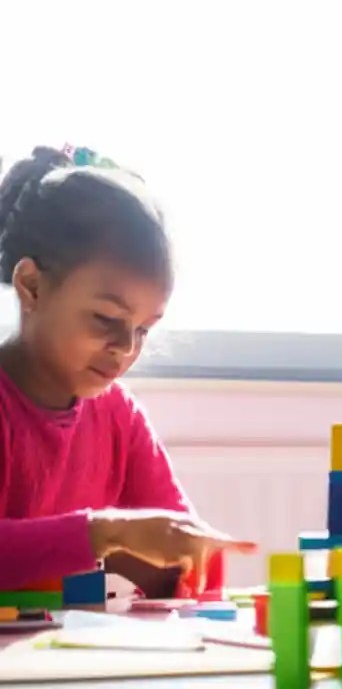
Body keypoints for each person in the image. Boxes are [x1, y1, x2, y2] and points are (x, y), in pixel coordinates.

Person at [0, 146, 253, 594]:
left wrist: (174, 561)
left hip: (58, 659)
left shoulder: (119, 416)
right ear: (32, 286)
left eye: (144, 329)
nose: (125, 348)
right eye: (105, 318)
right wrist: (106, 536)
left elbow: (189, 555)